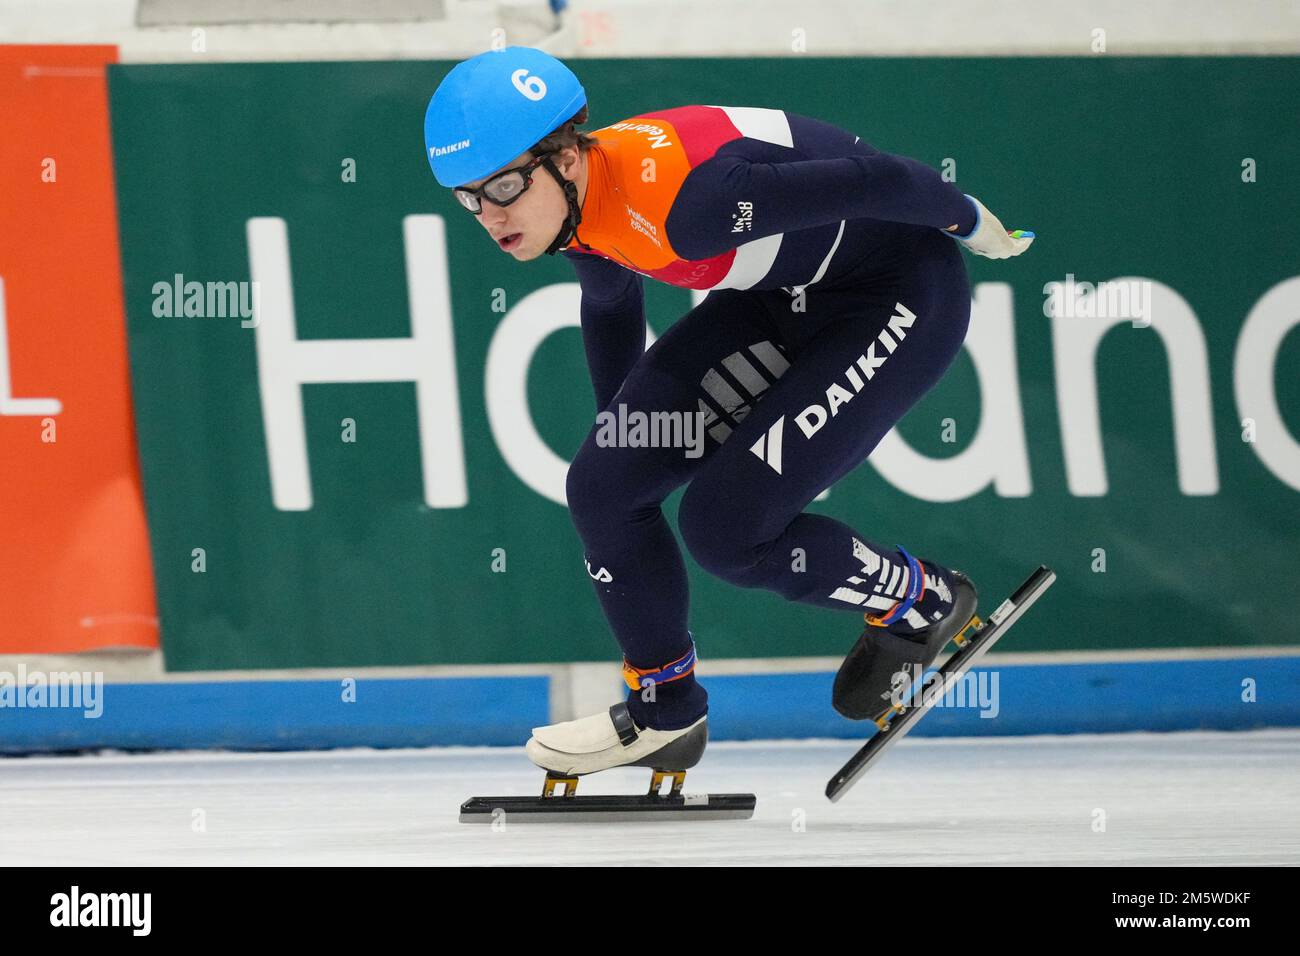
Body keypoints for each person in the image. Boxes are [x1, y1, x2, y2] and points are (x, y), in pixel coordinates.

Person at [424, 46, 1034, 779]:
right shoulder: (578, 210)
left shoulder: (689, 207)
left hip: (898, 297)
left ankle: (921, 600)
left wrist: (968, 219)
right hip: (781, 296)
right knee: (602, 488)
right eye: (469, 197)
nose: (491, 216)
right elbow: (610, 297)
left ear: (566, 156)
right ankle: (664, 711)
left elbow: (881, 178)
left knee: (727, 532)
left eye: (504, 187)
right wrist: (622, 442)